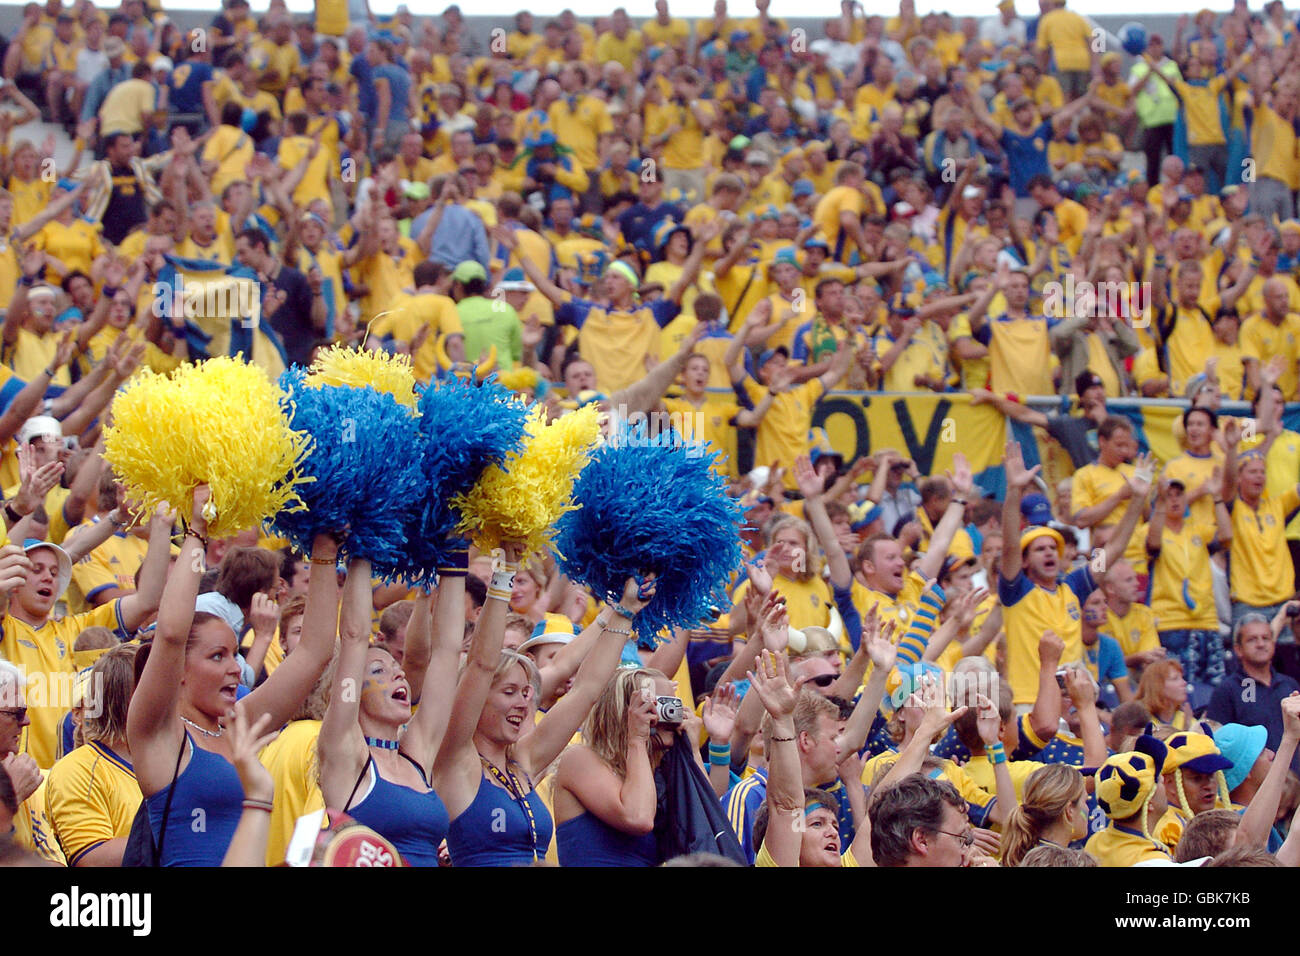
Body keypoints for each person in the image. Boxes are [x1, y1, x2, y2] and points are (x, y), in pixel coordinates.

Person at [126, 487, 340, 866]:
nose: (234, 667)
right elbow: (172, 633)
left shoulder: (239, 725)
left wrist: (324, 551)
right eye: (217, 656)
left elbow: (314, 652)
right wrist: (196, 529)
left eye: (234, 653)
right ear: (179, 673)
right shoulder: (158, 733)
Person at [436, 542, 656, 867]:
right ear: (477, 697)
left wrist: (625, 611)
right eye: (509, 691)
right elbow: (480, 666)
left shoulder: (522, 762)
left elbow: (587, 690)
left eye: (526, 693)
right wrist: (505, 575)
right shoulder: (456, 759)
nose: (523, 704)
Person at [317, 557, 458, 867]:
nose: (399, 675)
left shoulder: (415, 754)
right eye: (380, 670)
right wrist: (362, 553)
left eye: (398, 669)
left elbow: (447, 652)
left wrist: (454, 559)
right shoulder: (347, 754)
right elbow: (354, 639)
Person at [44, 643, 140, 866]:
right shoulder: (78, 770)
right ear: (127, 701)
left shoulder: (178, 756)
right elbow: (93, 859)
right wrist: (179, 833)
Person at [1001, 763, 1090, 867]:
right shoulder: (1070, 864)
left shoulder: (1016, 858)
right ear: (1069, 810)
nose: (1087, 809)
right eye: (1085, 801)